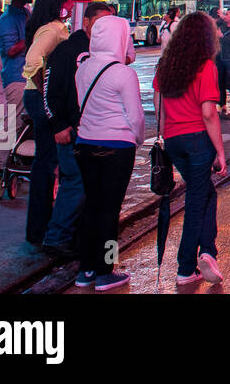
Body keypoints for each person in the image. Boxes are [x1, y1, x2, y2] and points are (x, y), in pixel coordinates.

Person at [38, 0, 117, 259]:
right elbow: (49, 90)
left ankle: (78, 240)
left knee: (93, 186)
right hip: (72, 129)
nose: (105, 29)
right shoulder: (66, 50)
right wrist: (58, 125)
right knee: (76, 182)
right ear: (86, 23)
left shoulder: (108, 50)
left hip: (97, 131)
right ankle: (57, 237)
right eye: (99, 24)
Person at [153, 11, 227, 286]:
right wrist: (220, 151)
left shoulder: (165, 66)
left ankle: (208, 251)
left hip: (173, 140)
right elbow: (209, 113)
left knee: (205, 193)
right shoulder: (206, 67)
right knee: (197, 200)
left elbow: (158, 107)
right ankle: (187, 266)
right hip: (197, 138)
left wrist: (164, 137)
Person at [72, 16, 145, 291]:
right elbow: (136, 117)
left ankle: (86, 268)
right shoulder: (123, 73)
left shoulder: (82, 68)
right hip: (117, 147)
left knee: (91, 206)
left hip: (86, 143)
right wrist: (137, 140)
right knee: (110, 211)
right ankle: (107, 269)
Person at [22, 0, 75, 252]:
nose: (73, 4)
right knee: (47, 162)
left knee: (47, 161)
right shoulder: (53, 30)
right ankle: (40, 228)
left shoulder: (51, 27)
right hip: (39, 97)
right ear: (60, 3)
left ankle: (40, 226)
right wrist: (45, 87)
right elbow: (32, 60)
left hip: (38, 96)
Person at [0, 0, 31, 185]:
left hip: (30, 76)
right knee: (13, 121)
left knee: (25, 124)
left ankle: (18, 162)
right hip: (16, 76)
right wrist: (32, 35)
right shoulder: (7, 20)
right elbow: (11, 50)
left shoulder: (25, 13)